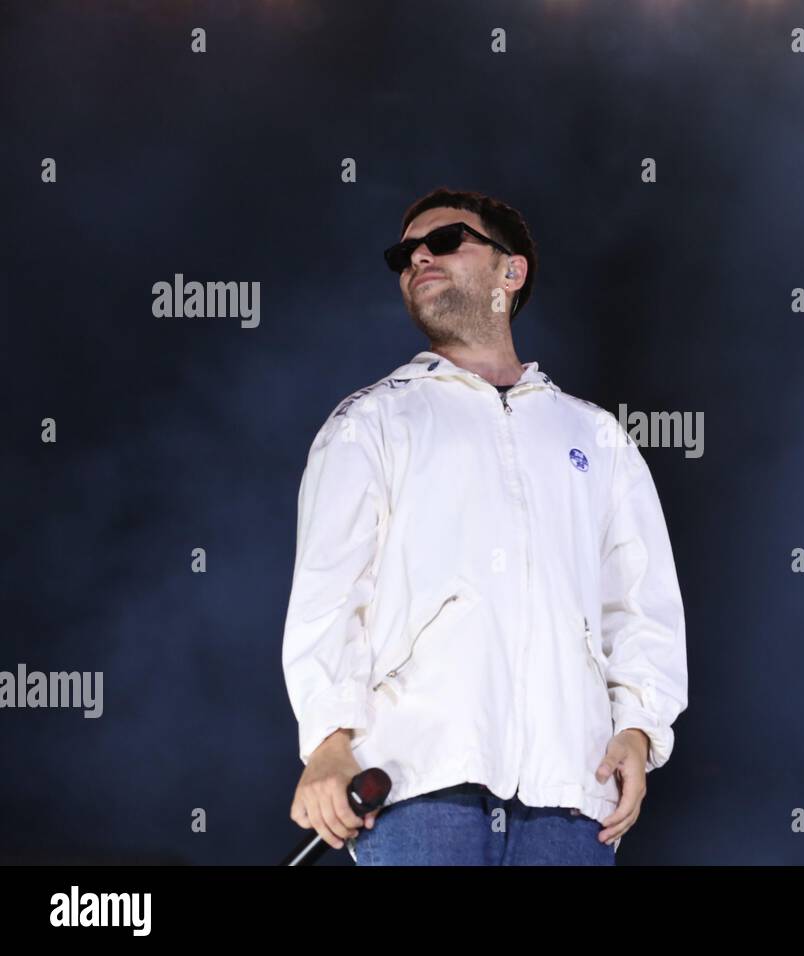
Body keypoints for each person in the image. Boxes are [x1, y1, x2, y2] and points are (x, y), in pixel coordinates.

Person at [283, 187, 687, 865]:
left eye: (444, 241)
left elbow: (641, 603)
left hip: (573, 793)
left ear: (512, 270)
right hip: (417, 785)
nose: (419, 258)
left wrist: (639, 731)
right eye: (403, 254)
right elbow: (328, 597)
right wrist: (328, 745)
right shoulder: (371, 422)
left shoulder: (594, 434)